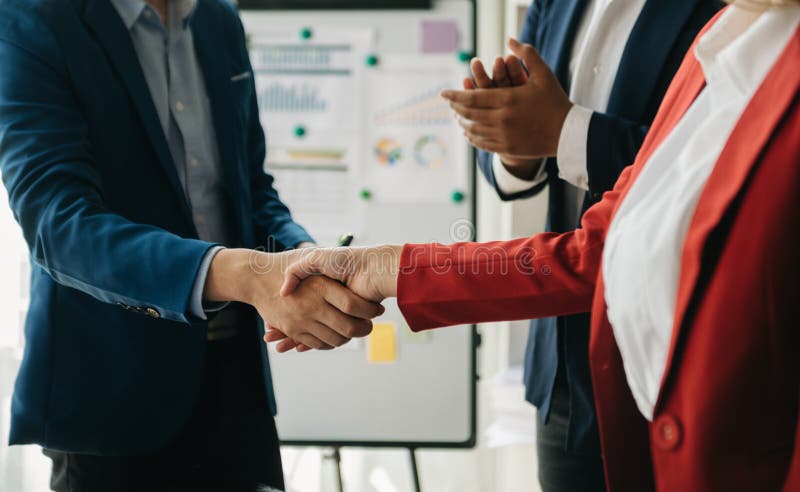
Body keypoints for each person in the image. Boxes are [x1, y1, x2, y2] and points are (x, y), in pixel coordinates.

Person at [269, 1, 800, 490]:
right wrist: (386, 265)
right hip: (575, 373)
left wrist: (563, 131)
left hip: (735, 420)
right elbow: (597, 252)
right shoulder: (726, 35)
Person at [0, 0, 382, 490]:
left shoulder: (218, 19)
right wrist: (244, 274)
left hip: (237, 387)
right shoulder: (32, 18)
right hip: (110, 396)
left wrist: (303, 257)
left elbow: (251, 194)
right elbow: (60, 227)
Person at [456, 0, 722, 489]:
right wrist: (513, 142)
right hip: (560, 368)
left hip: (669, 364)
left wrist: (563, 131)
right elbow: (528, 140)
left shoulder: (732, 9)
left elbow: (709, 166)